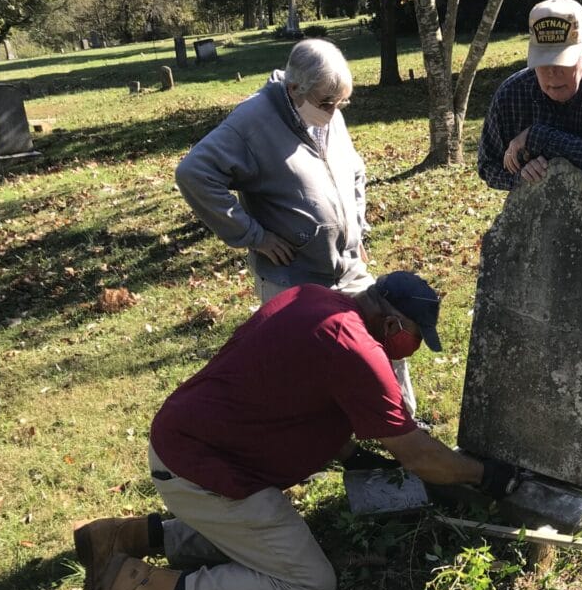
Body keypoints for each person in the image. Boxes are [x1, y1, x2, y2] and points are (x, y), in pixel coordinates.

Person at [74, 271, 519, 590]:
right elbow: (421, 457)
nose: (411, 350)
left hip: (185, 442)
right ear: (392, 326)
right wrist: (485, 476)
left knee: (259, 535)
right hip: (205, 473)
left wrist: (350, 456)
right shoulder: (358, 351)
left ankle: (123, 537)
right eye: (415, 339)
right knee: (307, 581)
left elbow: (296, 391)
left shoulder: (313, 299)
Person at [175, 38, 417, 416]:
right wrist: (254, 236)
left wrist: (357, 227)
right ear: (293, 90)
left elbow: (354, 170)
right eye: (326, 104)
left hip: (347, 264)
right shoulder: (251, 122)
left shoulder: (328, 108)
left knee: (389, 334)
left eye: (341, 103)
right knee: (305, 365)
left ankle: (406, 428)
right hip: (293, 277)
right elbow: (194, 173)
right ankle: (320, 446)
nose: (334, 111)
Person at [478, 0, 582, 193]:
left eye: (563, 62)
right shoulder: (511, 93)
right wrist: (523, 178)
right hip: (534, 216)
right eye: (543, 62)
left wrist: (536, 136)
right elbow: (488, 165)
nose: (552, 73)